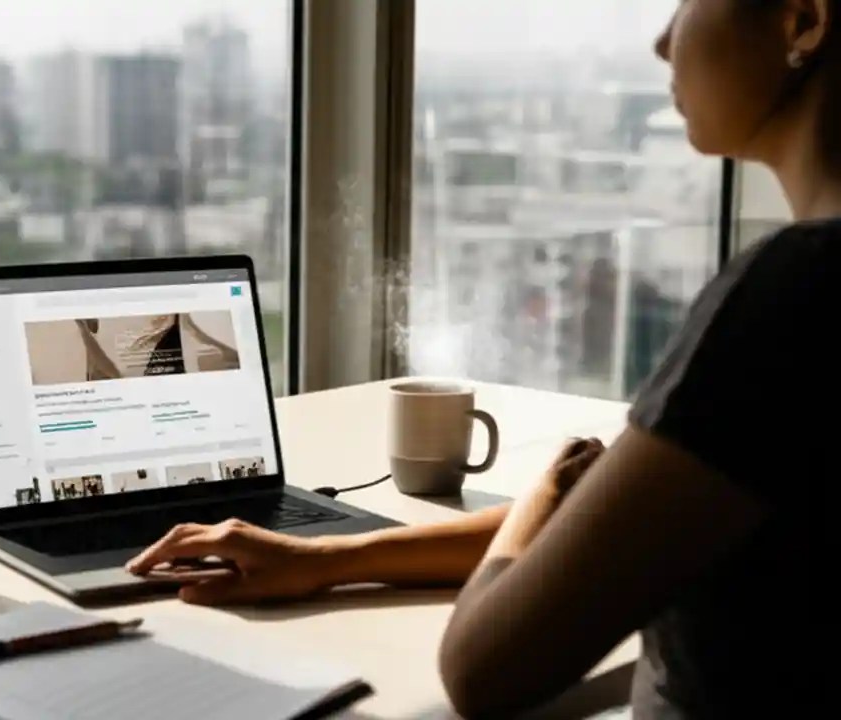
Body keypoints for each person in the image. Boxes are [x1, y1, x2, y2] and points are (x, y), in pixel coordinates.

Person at [126, 1, 835, 716]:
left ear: (803, 20)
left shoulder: (793, 293)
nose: (660, 42)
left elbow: (481, 670)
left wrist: (543, 498)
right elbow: (615, 534)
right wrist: (324, 560)